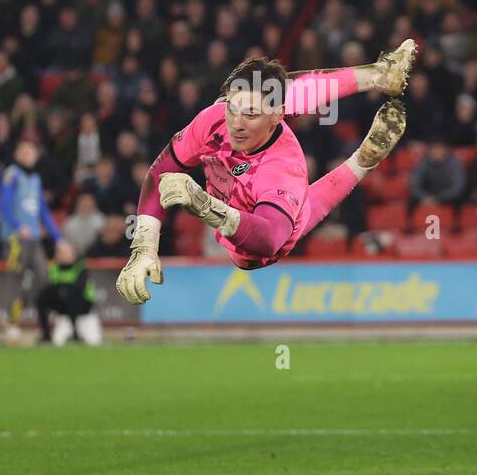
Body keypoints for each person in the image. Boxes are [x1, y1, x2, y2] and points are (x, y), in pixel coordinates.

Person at [116, 41, 417, 305]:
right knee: (272, 90)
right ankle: (377, 77)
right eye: (233, 109)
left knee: (303, 212)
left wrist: (204, 206)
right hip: (248, 191)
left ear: (278, 117)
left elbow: (268, 239)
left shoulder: (284, 167)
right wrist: (144, 247)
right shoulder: (215, 117)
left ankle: (361, 162)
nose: (236, 124)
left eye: (250, 115)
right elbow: (161, 170)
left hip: (262, 240)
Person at [0, 135, 68, 331]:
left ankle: (44, 324)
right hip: (15, 239)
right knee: (17, 280)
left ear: (36, 155)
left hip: (34, 238)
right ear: (16, 155)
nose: (27, 155)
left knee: (44, 278)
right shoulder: (11, 175)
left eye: (30, 151)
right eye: (23, 151)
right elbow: (4, 207)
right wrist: (18, 227)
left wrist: (58, 238)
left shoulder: (36, 179)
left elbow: (43, 211)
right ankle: (12, 323)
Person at [35, 240, 102, 346]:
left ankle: (76, 334)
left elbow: (79, 288)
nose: (62, 255)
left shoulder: (81, 267)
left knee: (94, 342)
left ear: (73, 253)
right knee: (41, 298)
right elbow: (51, 290)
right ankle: (46, 334)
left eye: (66, 252)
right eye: (59, 252)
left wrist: (63, 288)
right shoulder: (54, 268)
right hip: (64, 316)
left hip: (85, 314)